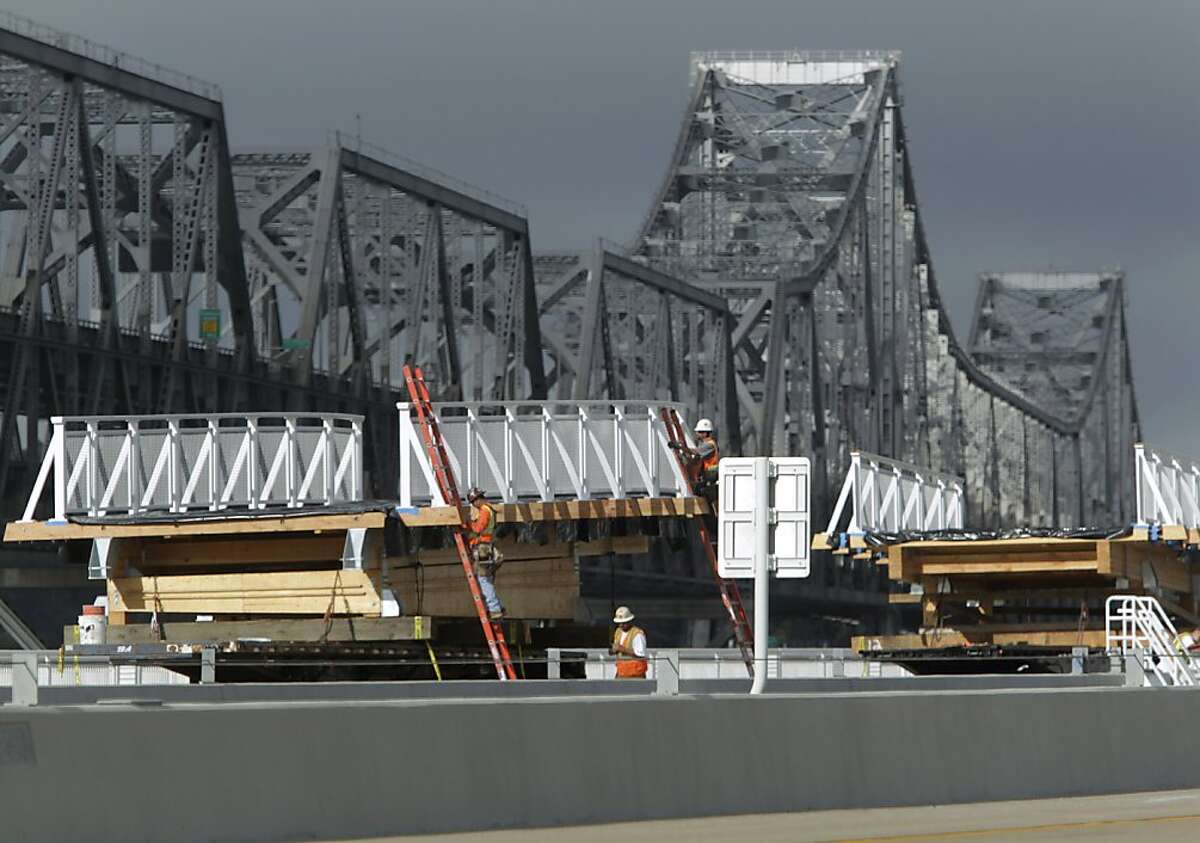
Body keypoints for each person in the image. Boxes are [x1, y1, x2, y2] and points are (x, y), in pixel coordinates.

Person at [466, 487, 505, 621]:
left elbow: (478, 528)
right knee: (486, 579)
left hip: (483, 547)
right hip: (487, 547)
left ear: (476, 500)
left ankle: (494, 609)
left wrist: (466, 524)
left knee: (484, 579)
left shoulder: (484, 510)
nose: (473, 506)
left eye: (473, 502)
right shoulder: (490, 509)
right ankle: (498, 607)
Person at [677, 418, 720, 505]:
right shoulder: (704, 445)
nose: (697, 434)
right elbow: (695, 460)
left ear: (705, 433)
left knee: (699, 490)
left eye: (699, 432)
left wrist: (680, 447)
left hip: (711, 475)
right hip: (707, 476)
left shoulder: (709, 445)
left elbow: (695, 452)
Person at [610, 606, 648, 678]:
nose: (621, 625)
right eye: (619, 623)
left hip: (636, 675)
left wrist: (623, 649)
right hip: (621, 673)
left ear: (630, 621)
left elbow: (640, 654)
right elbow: (617, 650)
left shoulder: (637, 634)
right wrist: (613, 650)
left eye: (624, 623)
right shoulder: (618, 632)